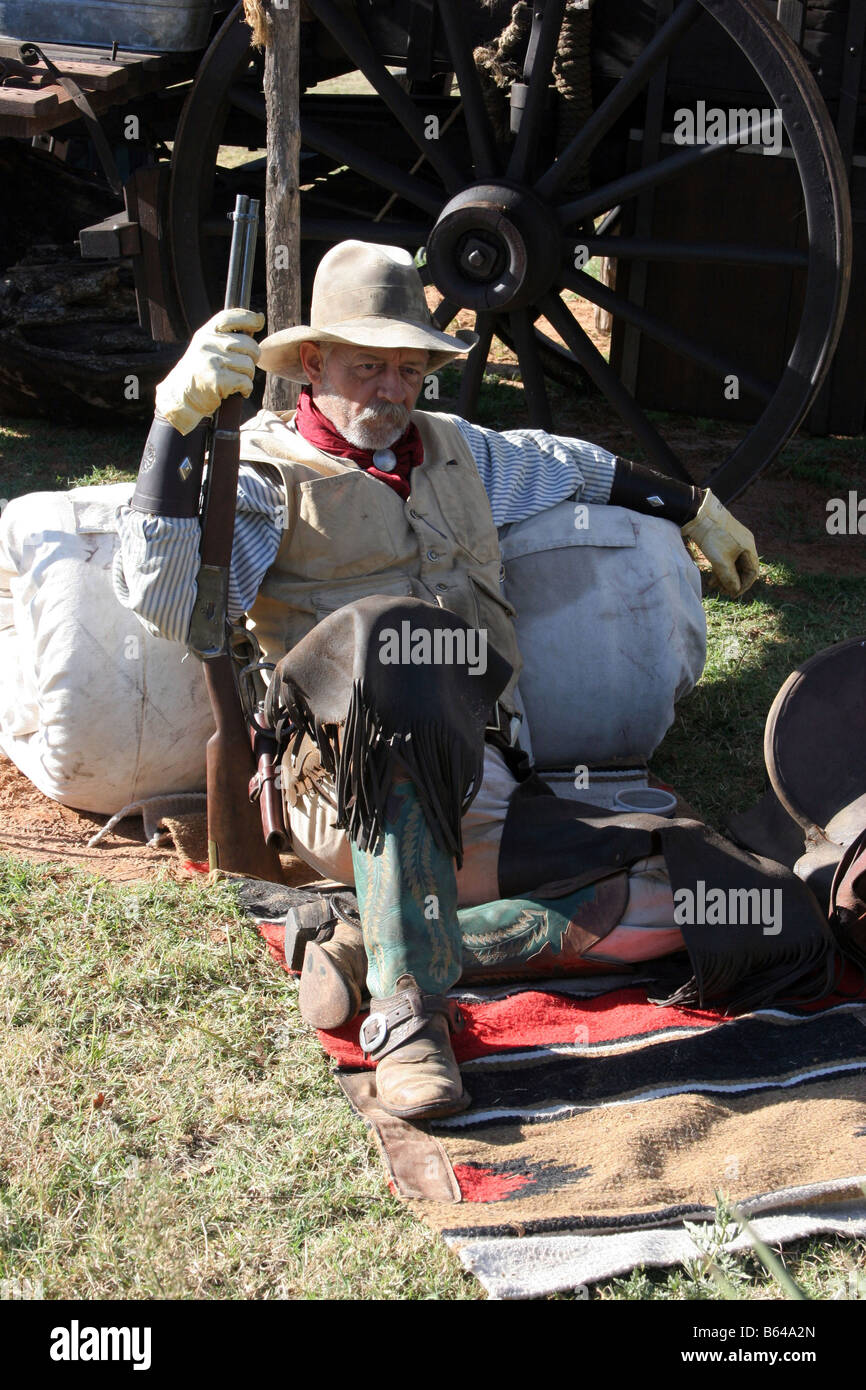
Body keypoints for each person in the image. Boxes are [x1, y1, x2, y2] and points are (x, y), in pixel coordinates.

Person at [116, 242, 831, 1123]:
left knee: (736, 902)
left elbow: (573, 463)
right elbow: (172, 603)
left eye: (408, 369)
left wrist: (693, 505)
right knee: (398, 641)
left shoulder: (460, 451)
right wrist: (172, 428)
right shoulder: (263, 474)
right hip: (339, 793)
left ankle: (365, 949)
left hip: (488, 791)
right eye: (367, 366)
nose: (389, 390)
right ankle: (410, 1019)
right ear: (312, 364)